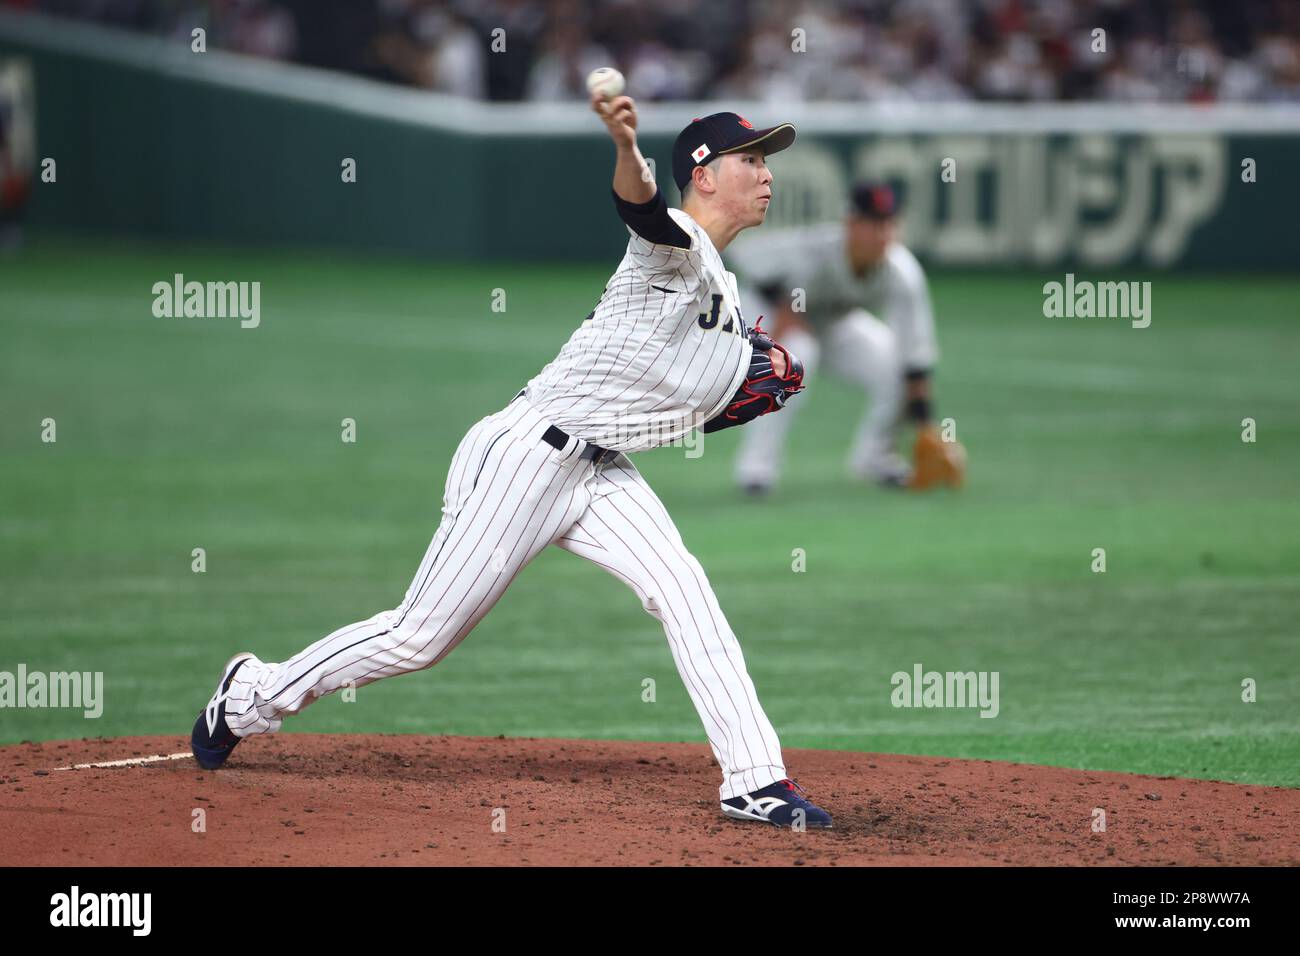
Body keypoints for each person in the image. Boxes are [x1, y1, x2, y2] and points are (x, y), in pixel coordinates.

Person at [189, 94, 832, 829]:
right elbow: (641, 207)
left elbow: (665, 408)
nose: (766, 174)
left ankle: (753, 779)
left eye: (766, 160)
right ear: (704, 175)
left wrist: (730, 400)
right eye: (750, 160)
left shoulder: (721, 282)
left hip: (599, 469)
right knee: (418, 637)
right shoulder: (676, 239)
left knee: (684, 588)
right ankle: (251, 694)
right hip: (524, 457)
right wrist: (626, 146)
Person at [728, 181, 965, 494]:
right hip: (768, 309)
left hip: (832, 321)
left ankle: (875, 457)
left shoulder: (902, 270)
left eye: (888, 224)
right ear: (851, 223)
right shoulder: (815, 250)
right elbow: (746, 259)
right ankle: (756, 470)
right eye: (873, 224)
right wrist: (778, 317)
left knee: (891, 362)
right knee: (797, 357)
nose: (882, 234)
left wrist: (925, 423)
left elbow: (915, 354)